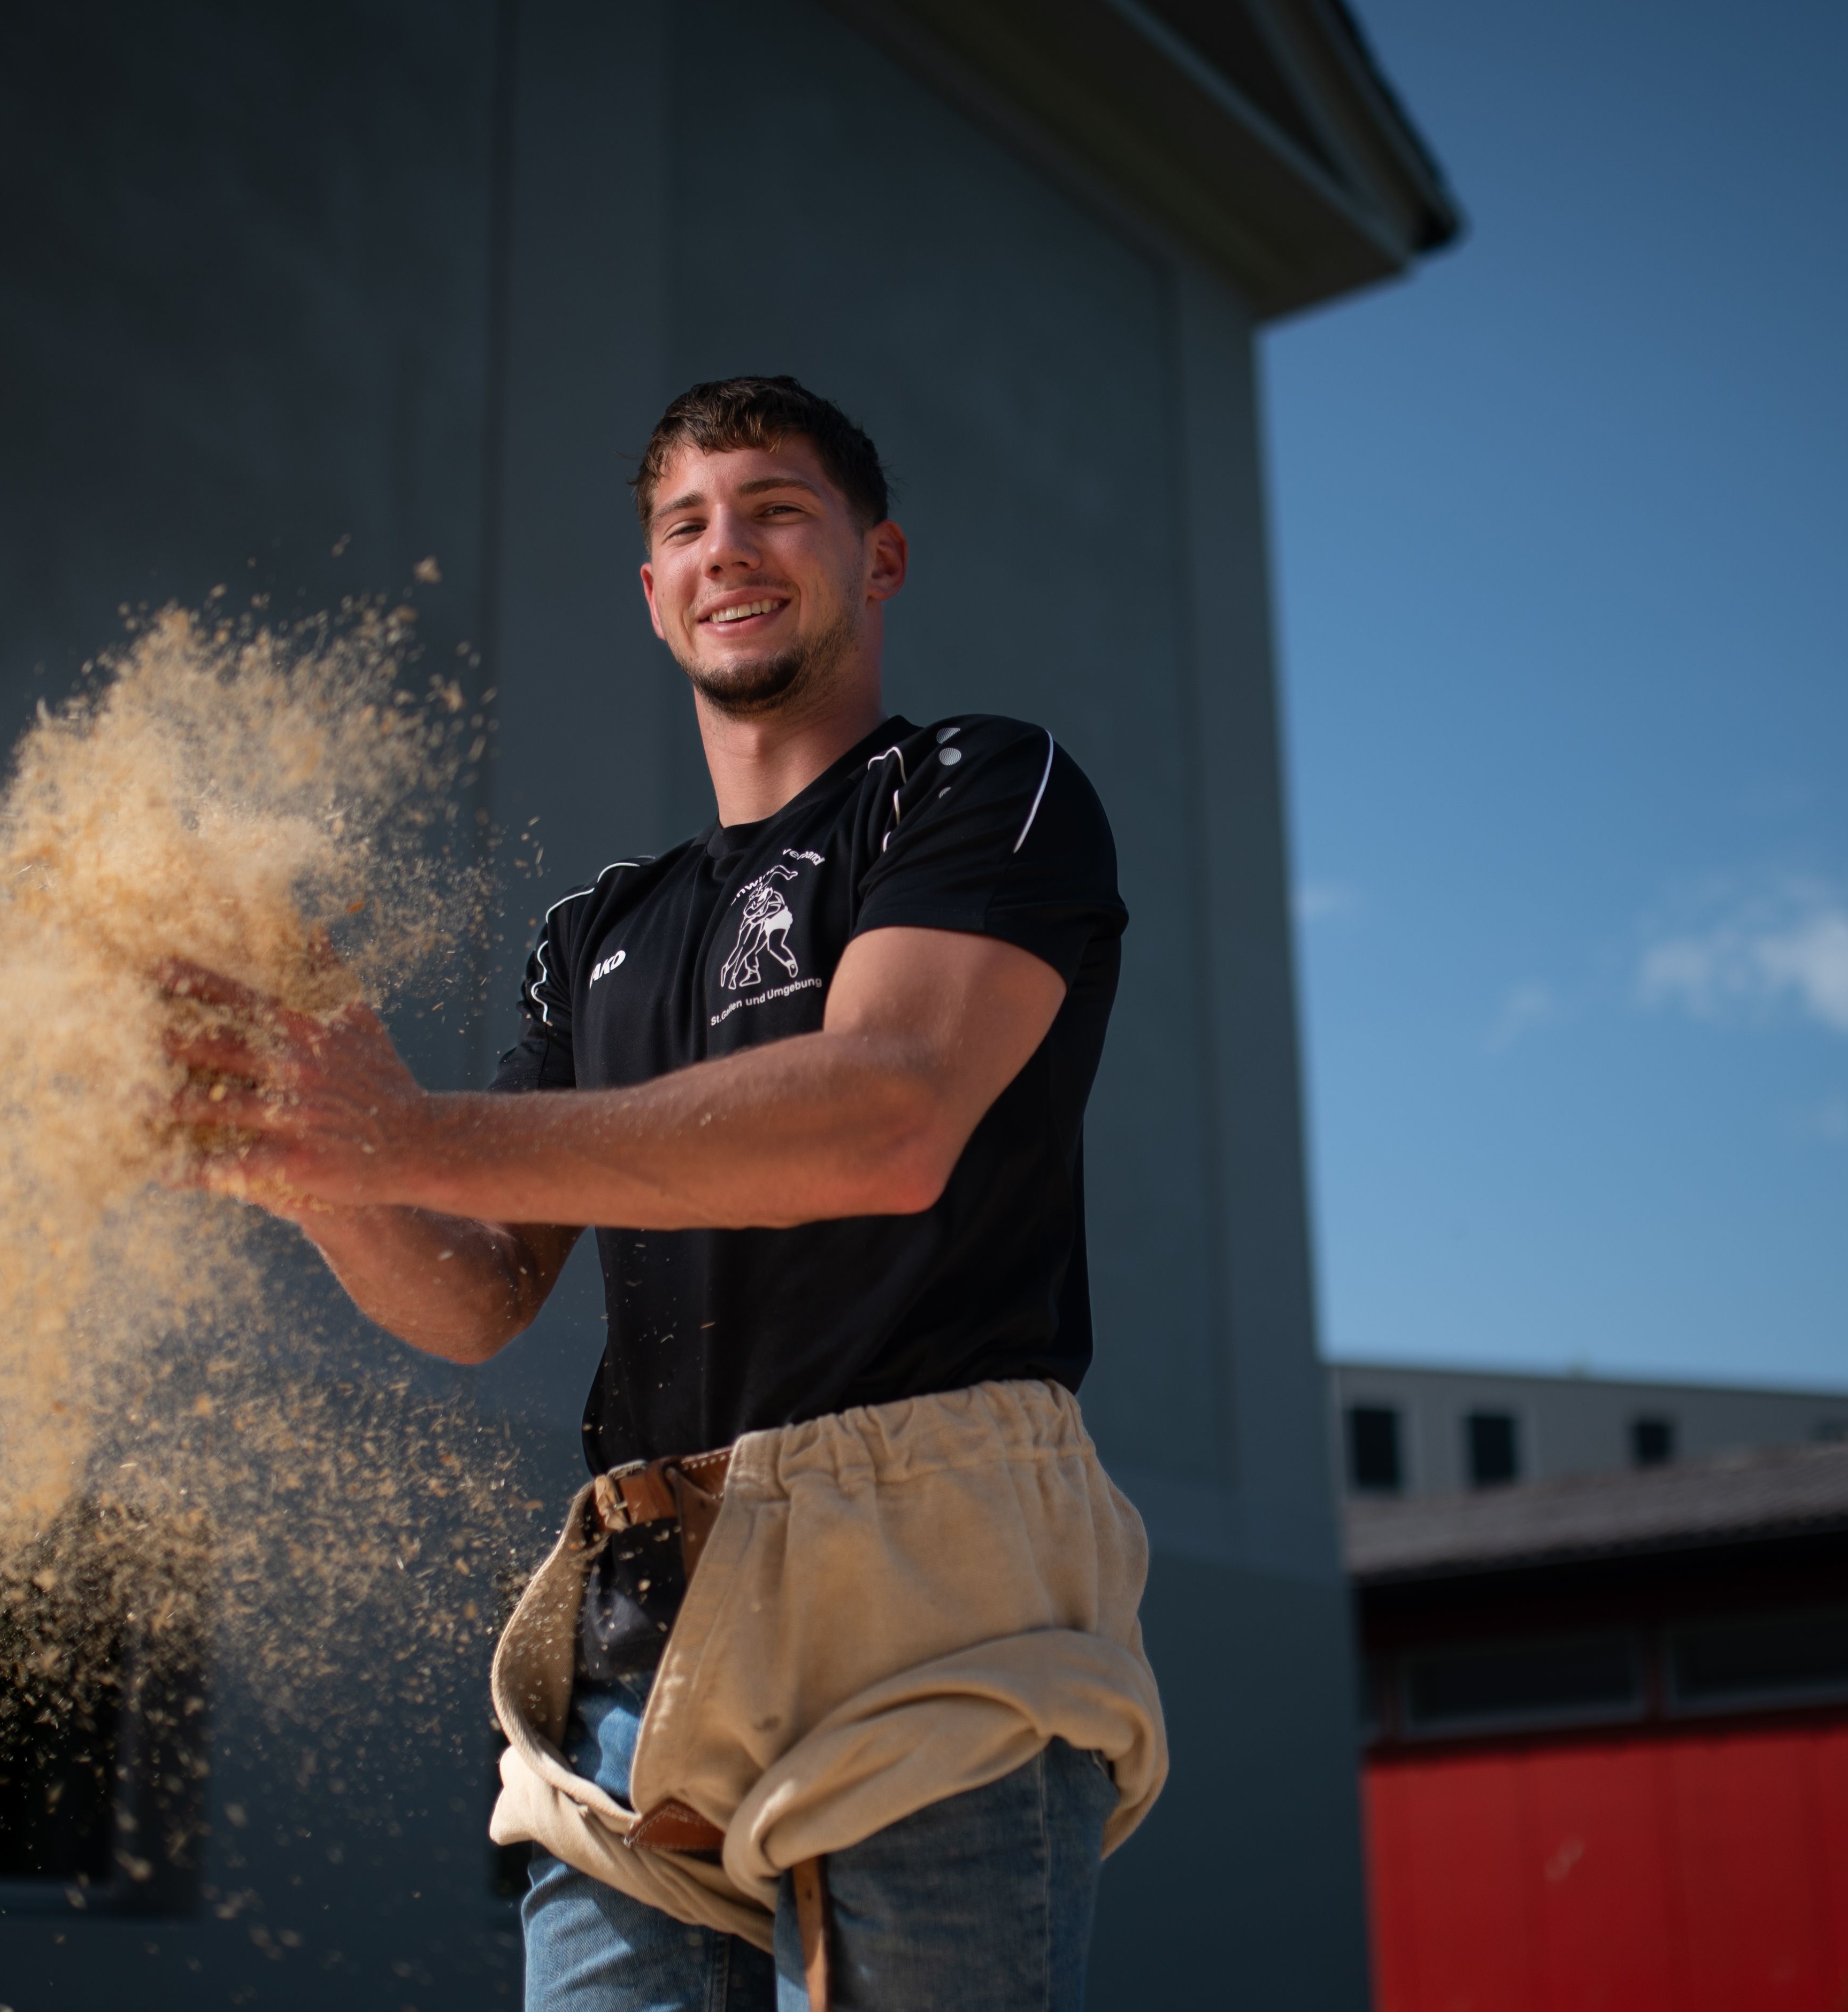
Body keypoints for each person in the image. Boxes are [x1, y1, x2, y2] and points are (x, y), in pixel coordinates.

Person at [169, 377, 1163, 2011]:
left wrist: (399, 1128)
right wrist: (303, 1160)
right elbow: (480, 1291)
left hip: (922, 1603)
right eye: (685, 525)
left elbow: (886, 1116)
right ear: (650, 592)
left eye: (776, 507)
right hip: (640, 1629)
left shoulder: (982, 785)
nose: (729, 550)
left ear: (880, 554)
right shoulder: (597, 930)